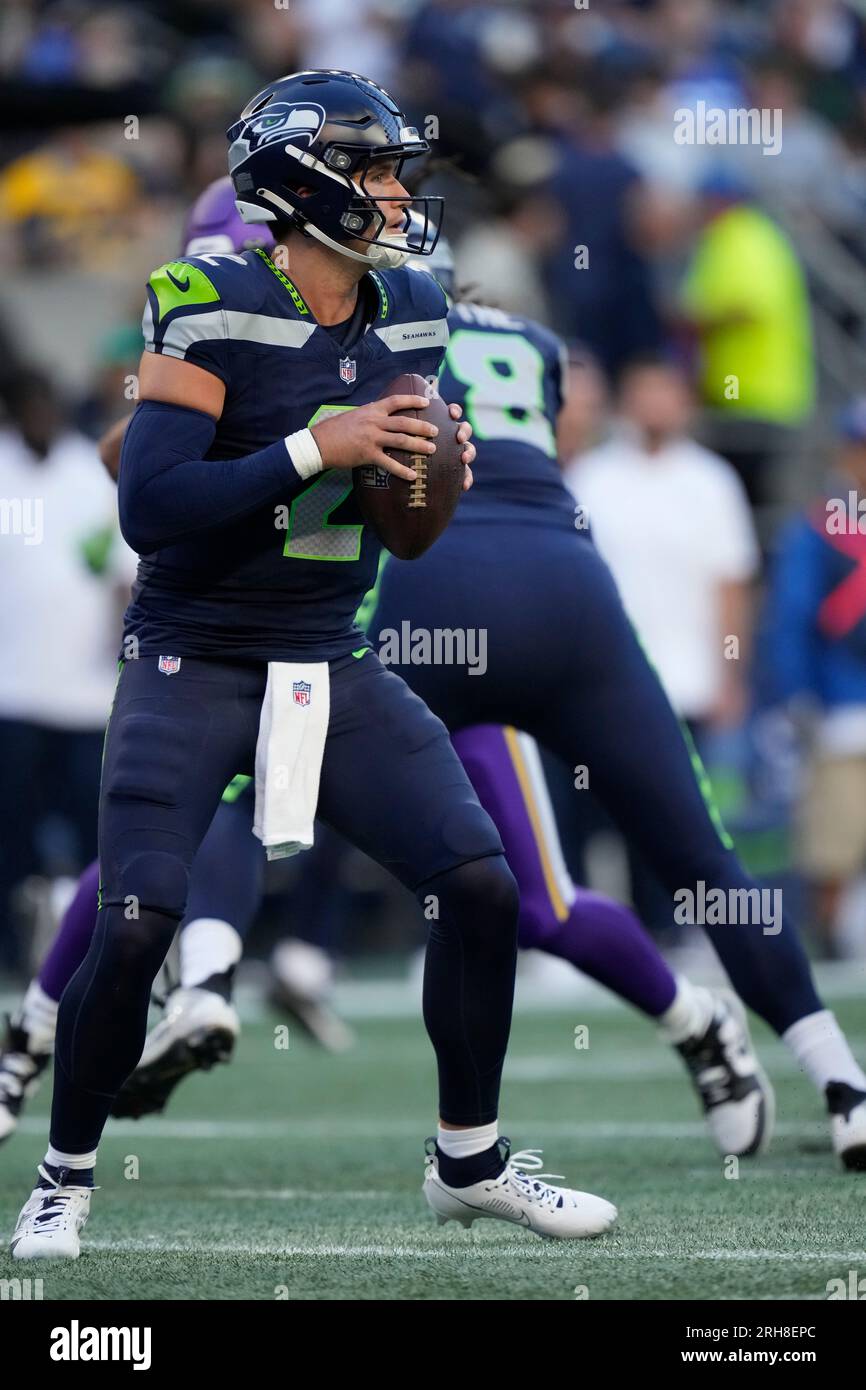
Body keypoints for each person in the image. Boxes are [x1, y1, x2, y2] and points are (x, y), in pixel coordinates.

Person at [9, 70, 618, 1262]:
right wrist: (313, 443)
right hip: (193, 657)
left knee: (480, 881)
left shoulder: (415, 308)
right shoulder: (204, 296)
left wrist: (423, 474)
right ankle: (63, 1175)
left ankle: (469, 1157)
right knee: (134, 923)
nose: (397, 192)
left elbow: (402, 525)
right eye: (376, 168)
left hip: (327, 660)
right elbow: (153, 505)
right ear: (304, 182)